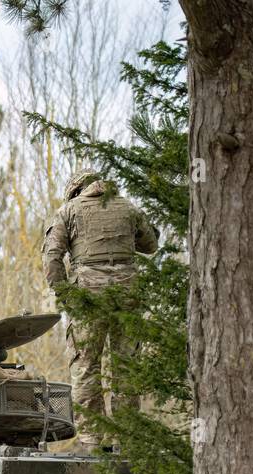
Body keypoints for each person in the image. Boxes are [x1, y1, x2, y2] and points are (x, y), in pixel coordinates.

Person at [42, 168, 157, 451]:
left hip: (87, 297)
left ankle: (93, 441)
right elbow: (151, 245)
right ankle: (126, 439)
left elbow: (52, 255)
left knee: (85, 366)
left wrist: (65, 293)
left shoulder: (68, 211)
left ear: (76, 190)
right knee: (127, 366)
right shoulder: (128, 207)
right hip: (127, 294)